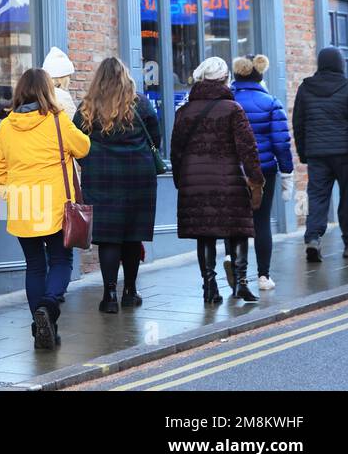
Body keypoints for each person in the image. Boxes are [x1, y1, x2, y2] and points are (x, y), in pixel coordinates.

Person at [0, 68, 91, 351]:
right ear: (47, 91)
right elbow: (84, 147)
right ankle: (48, 307)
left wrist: (11, 194)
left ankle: (41, 328)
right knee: (61, 261)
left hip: (23, 206)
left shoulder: (6, 126)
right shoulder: (58, 120)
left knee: (34, 265)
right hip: (56, 206)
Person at [170, 57, 265, 303]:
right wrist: (256, 181)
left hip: (195, 182)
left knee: (205, 234)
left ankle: (210, 287)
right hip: (229, 180)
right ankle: (241, 283)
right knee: (238, 229)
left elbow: (176, 152)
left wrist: (181, 181)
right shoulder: (233, 109)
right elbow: (248, 149)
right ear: (225, 79)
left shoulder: (184, 112)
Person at [74, 58, 160, 313]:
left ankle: (109, 295)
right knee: (132, 236)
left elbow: (76, 143)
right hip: (138, 177)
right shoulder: (141, 103)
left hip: (101, 178)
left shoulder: (87, 107)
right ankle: (130, 292)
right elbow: (156, 138)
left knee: (108, 239)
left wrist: (91, 162)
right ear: (125, 77)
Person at [229, 55, 294, 290]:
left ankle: (237, 274)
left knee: (234, 222)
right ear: (260, 75)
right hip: (263, 170)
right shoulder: (271, 103)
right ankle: (263, 277)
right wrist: (287, 172)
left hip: (232, 170)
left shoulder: (227, 101)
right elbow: (281, 143)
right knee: (261, 221)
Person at [292, 47, 348, 262]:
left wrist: (303, 153)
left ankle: (313, 238)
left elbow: (298, 123)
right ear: (340, 64)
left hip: (317, 154)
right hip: (346, 154)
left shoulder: (305, 88)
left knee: (317, 197)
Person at [42, 46, 78, 119]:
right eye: (69, 76)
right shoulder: (62, 96)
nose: (70, 81)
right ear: (63, 78)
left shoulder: (40, 93)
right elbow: (73, 121)